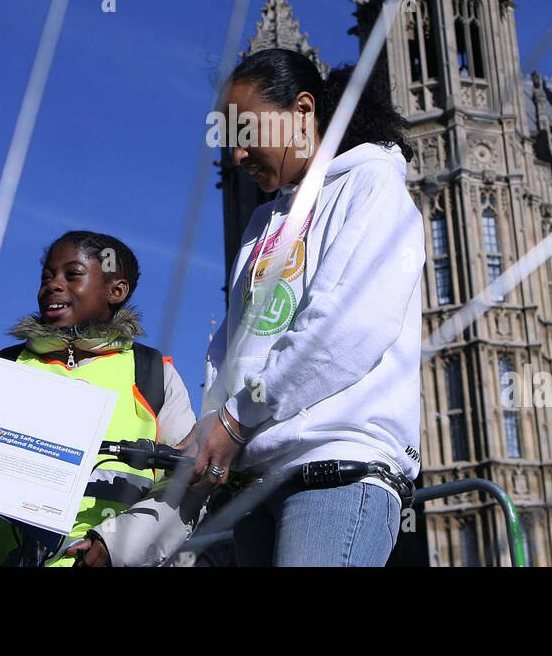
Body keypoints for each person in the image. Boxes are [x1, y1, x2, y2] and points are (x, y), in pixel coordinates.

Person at [180, 48, 424, 566]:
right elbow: (232, 345)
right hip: (253, 480)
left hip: (336, 466)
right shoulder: (261, 226)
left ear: (302, 110)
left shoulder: (372, 184)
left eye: (246, 132)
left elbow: (345, 327)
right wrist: (213, 425)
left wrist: (235, 420)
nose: (237, 155)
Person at [0, 231, 202, 567]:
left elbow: (190, 479)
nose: (53, 285)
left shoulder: (153, 374)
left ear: (116, 291)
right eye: (47, 276)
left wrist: (114, 547)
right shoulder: (0, 367)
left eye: (72, 275)